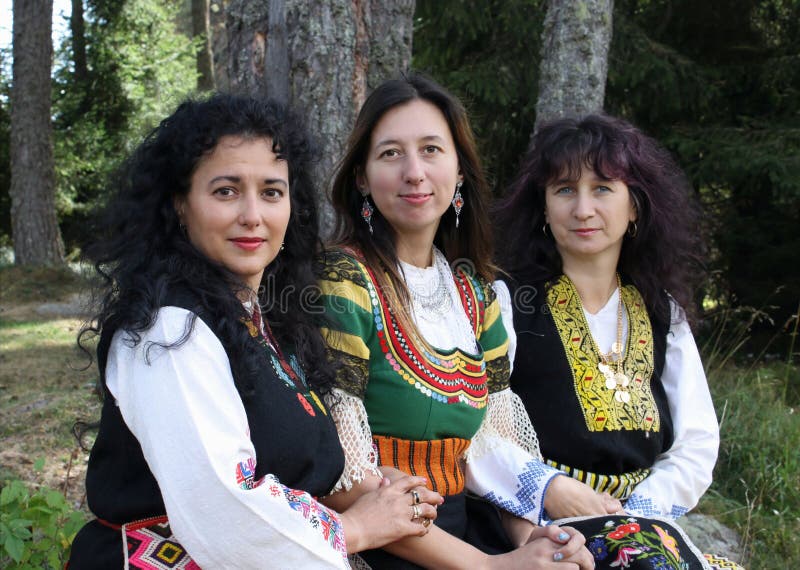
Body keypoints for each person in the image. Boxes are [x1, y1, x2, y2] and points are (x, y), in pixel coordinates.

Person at [68, 94, 444, 569]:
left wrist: (376, 488)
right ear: (180, 204)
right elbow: (222, 507)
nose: (253, 215)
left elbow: (286, 455)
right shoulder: (169, 330)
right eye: (226, 191)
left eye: (271, 192)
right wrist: (358, 528)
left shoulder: (264, 320)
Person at [318, 73, 594, 569]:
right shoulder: (344, 280)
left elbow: (490, 458)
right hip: (381, 547)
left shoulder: (475, 295)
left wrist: (534, 541)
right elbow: (343, 477)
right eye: (390, 154)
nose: (415, 173)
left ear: (460, 170)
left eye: (431, 150)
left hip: (466, 531)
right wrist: (491, 567)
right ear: (361, 177)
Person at [494, 114, 722, 569]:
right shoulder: (506, 302)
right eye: (564, 190)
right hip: (536, 520)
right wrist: (549, 489)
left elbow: (697, 440)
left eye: (602, 188)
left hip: (643, 522)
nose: (582, 209)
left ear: (634, 206)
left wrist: (639, 512)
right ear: (542, 206)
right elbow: (479, 426)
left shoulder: (663, 312)